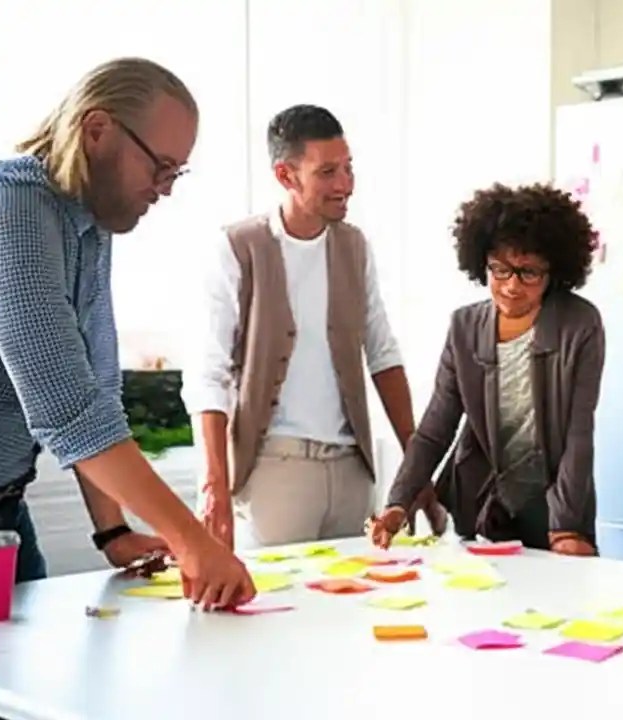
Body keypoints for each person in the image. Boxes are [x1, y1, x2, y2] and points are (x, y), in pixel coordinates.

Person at [0, 58, 254, 720]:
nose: (166, 188)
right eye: (160, 167)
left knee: (28, 708)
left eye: (177, 172)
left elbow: (95, 390)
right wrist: (193, 540)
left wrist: (113, 532)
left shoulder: (86, 226)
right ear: (98, 131)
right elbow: (66, 412)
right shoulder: (7, 210)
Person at [182, 104, 445, 550]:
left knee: (354, 609)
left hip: (351, 470)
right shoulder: (238, 247)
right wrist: (214, 488)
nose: (345, 184)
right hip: (275, 470)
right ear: (286, 175)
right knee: (275, 612)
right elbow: (209, 374)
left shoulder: (354, 246)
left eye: (348, 168)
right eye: (327, 172)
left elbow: (382, 353)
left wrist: (415, 467)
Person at [367, 183, 604, 555]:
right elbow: (435, 429)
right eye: (500, 270)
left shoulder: (579, 324)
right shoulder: (464, 328)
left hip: (557, 504)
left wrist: (566, 528)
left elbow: (578, 434)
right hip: (482, 504)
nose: (511, 286)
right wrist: (398, 502)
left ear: (553, 272)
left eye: (528, 273)